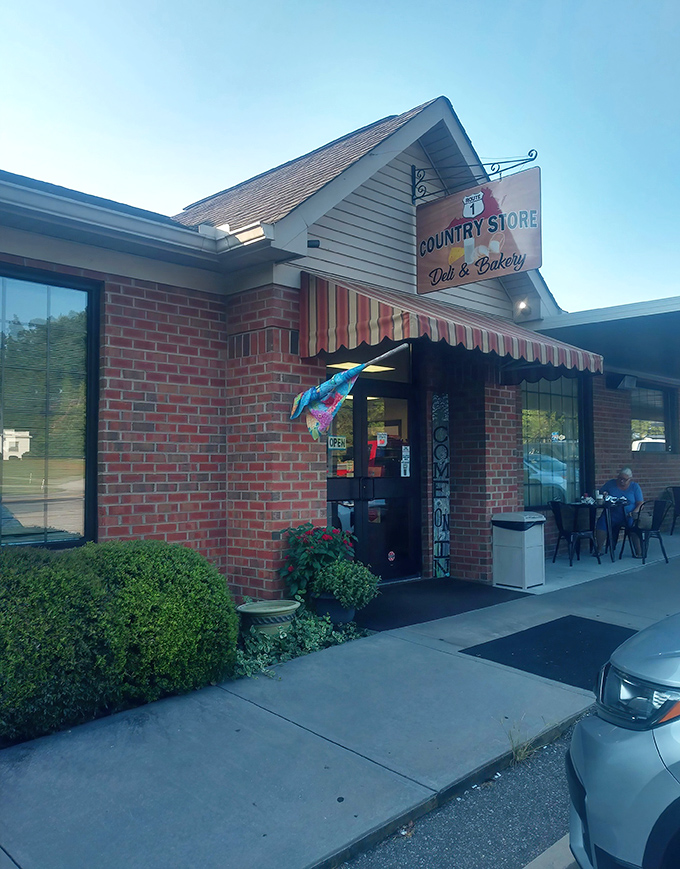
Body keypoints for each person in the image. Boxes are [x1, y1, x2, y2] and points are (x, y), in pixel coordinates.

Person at [595, 467, 644, 557]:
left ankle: (639, 551)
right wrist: (604, 494)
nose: (621, 481)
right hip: (612, 513)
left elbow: (640, 503)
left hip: (628, 515)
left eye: (624, 479)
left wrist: (634, 512)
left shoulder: (634, 487)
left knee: (633, 526)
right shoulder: (611, 484)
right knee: (601, 522)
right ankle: (599, 549)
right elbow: (600, 492)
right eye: (620, 478)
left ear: (629, 479)